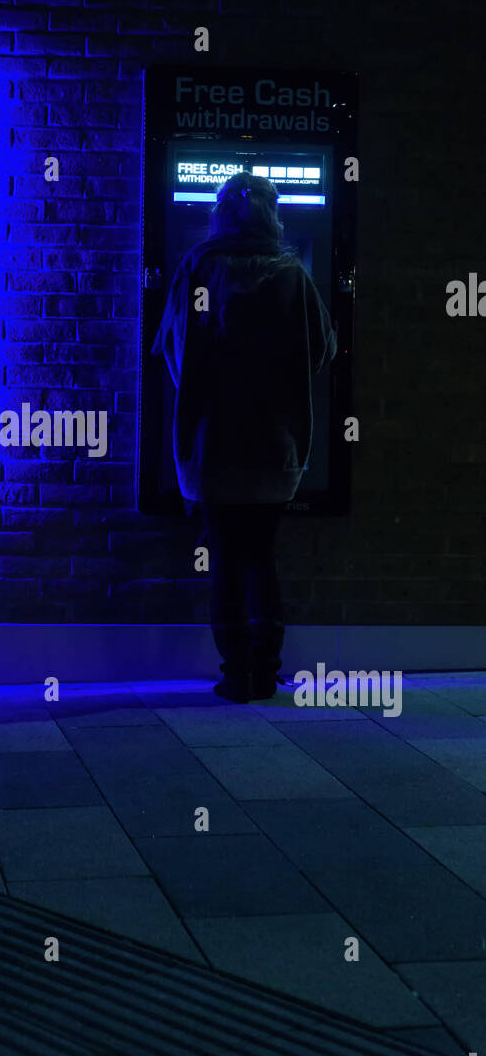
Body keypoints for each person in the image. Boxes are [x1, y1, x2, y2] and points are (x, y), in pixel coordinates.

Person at [152, 171, 337, 703]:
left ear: (220, 212)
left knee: (226, 560)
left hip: (215, 446)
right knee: (262, 556)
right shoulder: (293, 274)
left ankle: (236, 674)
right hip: (277, 447)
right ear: (271, 215)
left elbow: (176, 349)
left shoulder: (201, 267)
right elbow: (322, 352)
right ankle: (267, 671)